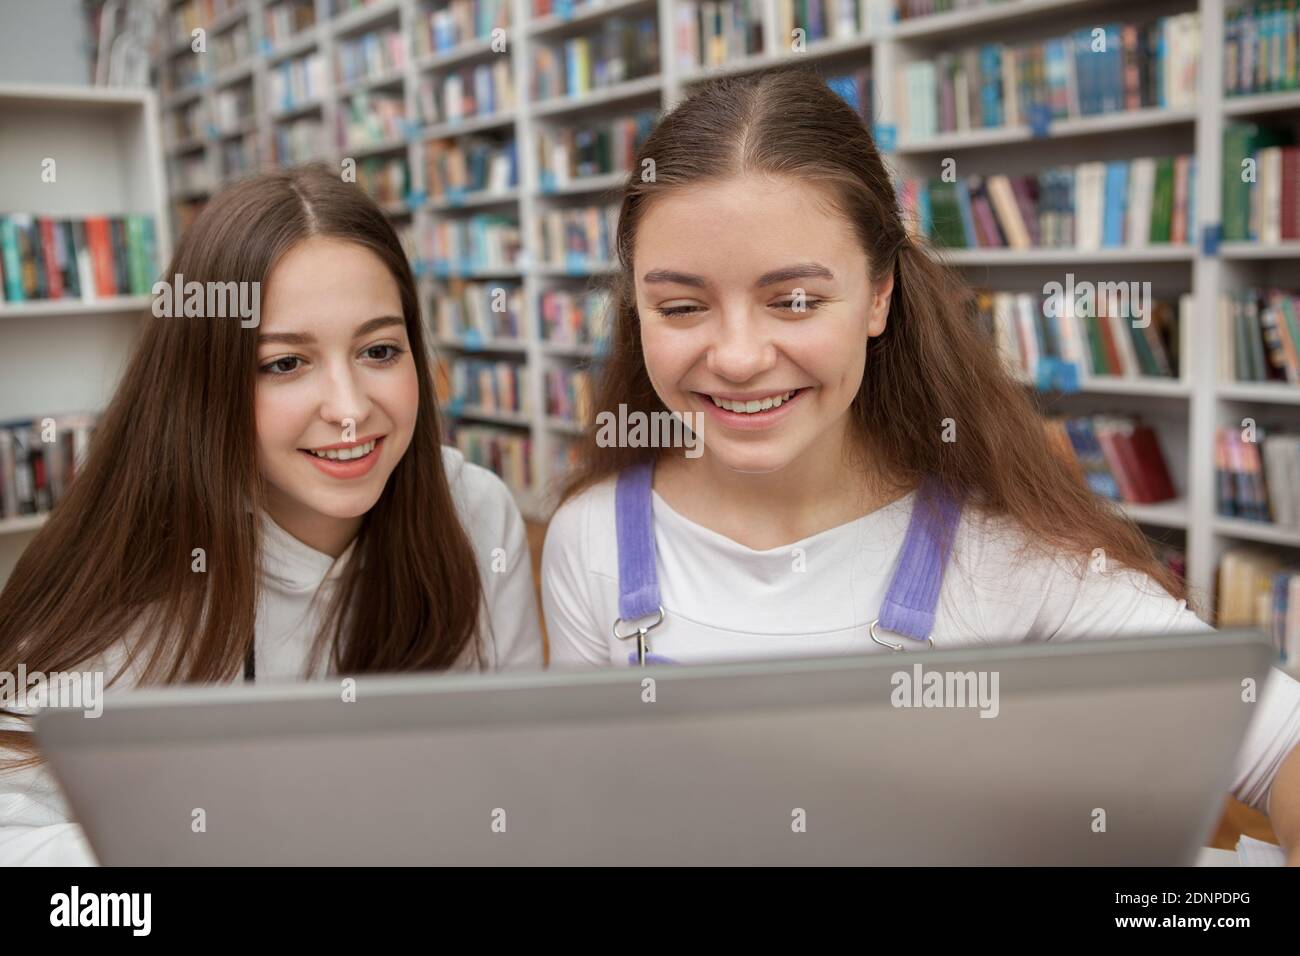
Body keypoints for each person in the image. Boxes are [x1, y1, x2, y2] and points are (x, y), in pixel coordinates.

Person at [540, 70, 1300, 862]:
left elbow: (1280, 739)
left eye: (794, 299)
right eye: (682, 306)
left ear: (878, 296)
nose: (737, 358)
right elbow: (587, 809)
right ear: (637, 308)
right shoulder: (590, 540)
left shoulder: (1004, 550)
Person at [0, 165, 542, 865]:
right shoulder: (127, 562)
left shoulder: (475, 512)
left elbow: (520, 768)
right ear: (206, 380)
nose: (349, 409)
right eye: (286, 364)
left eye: (379, 350)